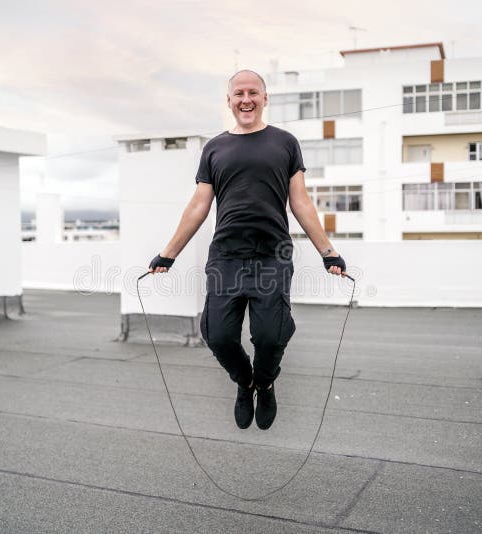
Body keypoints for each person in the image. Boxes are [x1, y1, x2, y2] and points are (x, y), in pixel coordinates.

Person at [148, 69, 348, 430]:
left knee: (271, 334)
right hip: (226, 256)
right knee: (218, 334)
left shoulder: (285, 143)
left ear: (265, 98)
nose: (246, 99)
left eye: (253, 92)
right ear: (229, 101)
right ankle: (245, 382)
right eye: (238, 93)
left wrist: (328, 253)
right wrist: (168, 254)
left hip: (273, 256)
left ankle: (266, 381)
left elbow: (300, 202)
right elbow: (198, 205)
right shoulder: (215, 148)